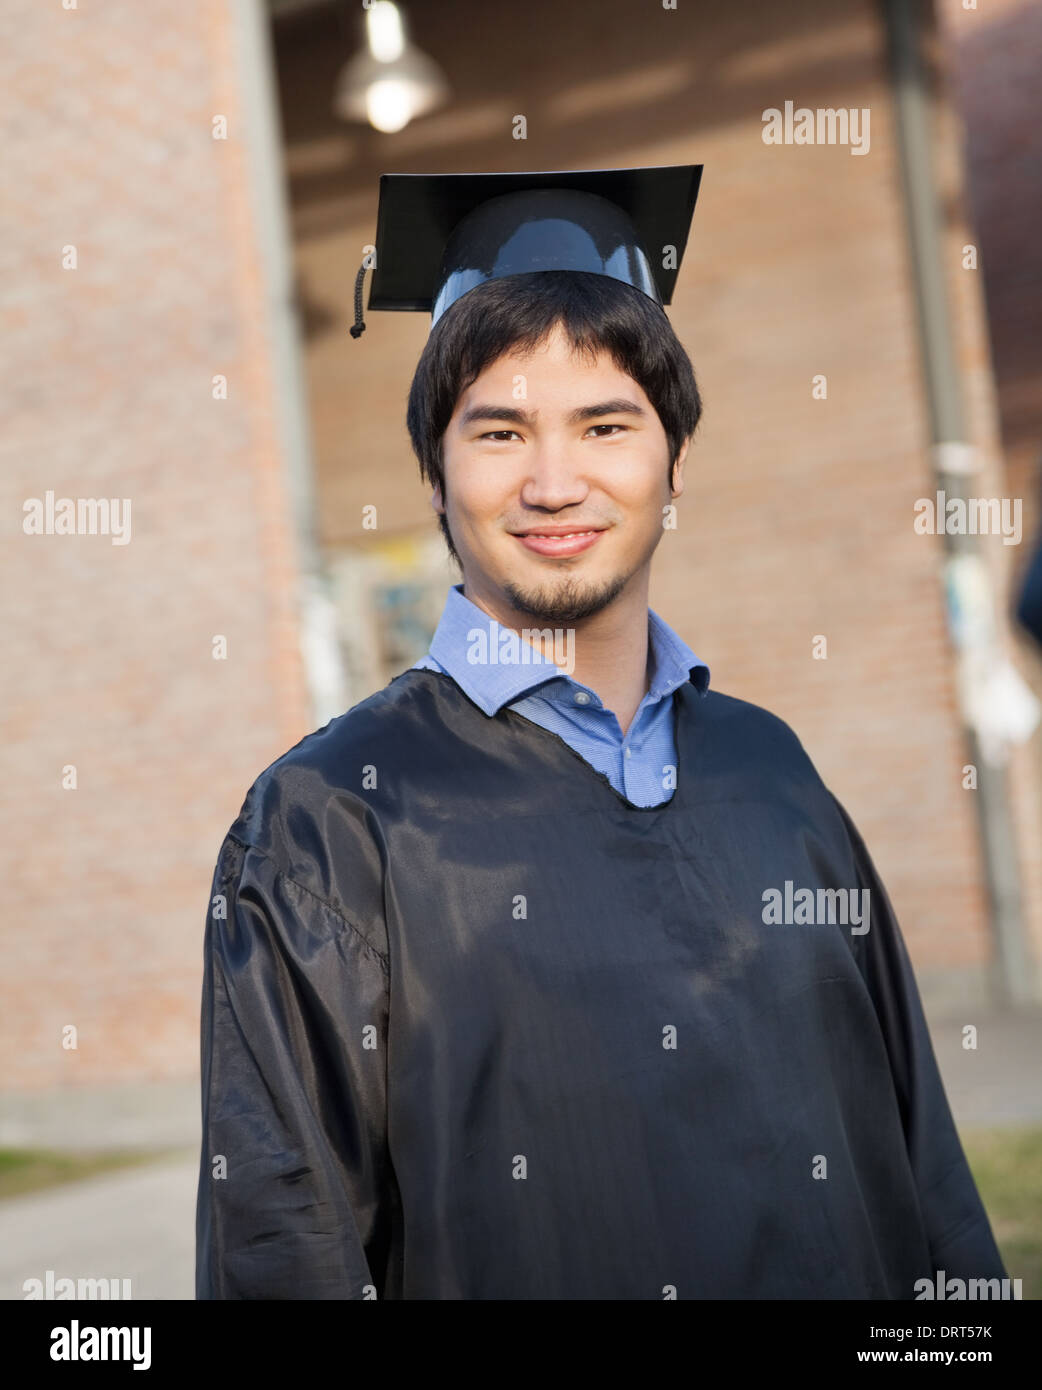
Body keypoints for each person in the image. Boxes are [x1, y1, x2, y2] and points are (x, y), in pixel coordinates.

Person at [195, 166, 1007, 1300]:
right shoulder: (331, 819)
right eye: (500, 432)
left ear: (673, 464)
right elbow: (282, 1241)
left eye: (605, 424)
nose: (554, 480)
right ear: (433, 474)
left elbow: (921, 1163)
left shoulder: (772, 772)